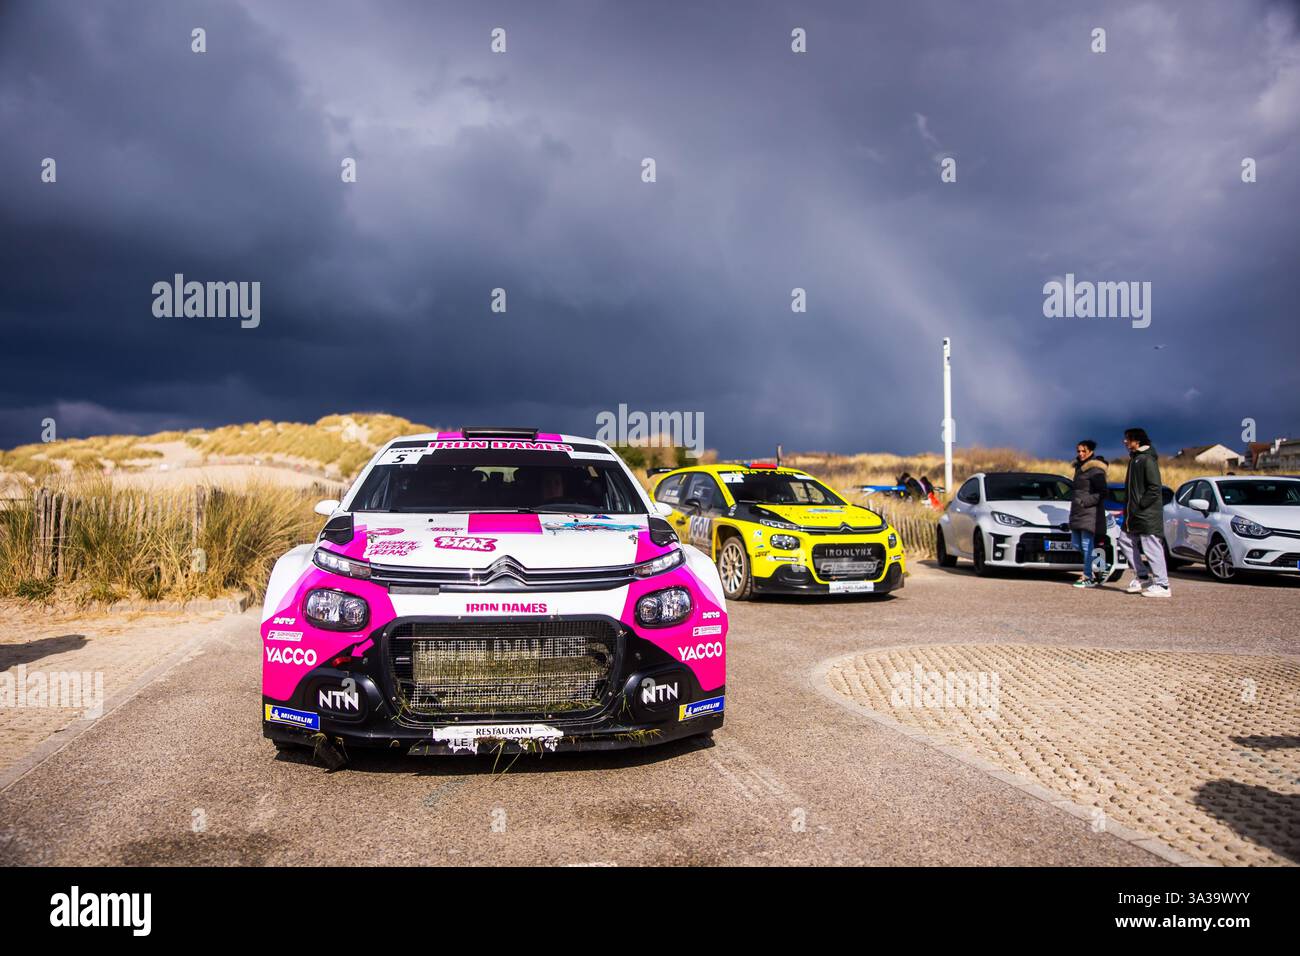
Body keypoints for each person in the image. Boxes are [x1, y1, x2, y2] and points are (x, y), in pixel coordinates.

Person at [1117, 428, 1171, 598]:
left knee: (1151, 546)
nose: (1125, 442)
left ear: (1137, 440)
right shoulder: (1135, 459)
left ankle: (1163, 585)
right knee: (1124, 540)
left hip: (1146, 514)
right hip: (1133, 514)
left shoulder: (1147, 459)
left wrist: (1141, 505)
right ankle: (1142, 577)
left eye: (1128, 439)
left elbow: (1155, 488)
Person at [1068, 440, 1108, 588]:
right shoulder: (1079, 468)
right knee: (1076, 544)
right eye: (1078, 451)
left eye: (1084, 451)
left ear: (1091, 452)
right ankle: (1102, 565)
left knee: (1086, 545)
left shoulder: (1095, 470)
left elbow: (1103, 492)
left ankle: (1088, 576)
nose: (1080, 454)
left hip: (1090, 513)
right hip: (1077, 512)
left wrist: (1085, 502)